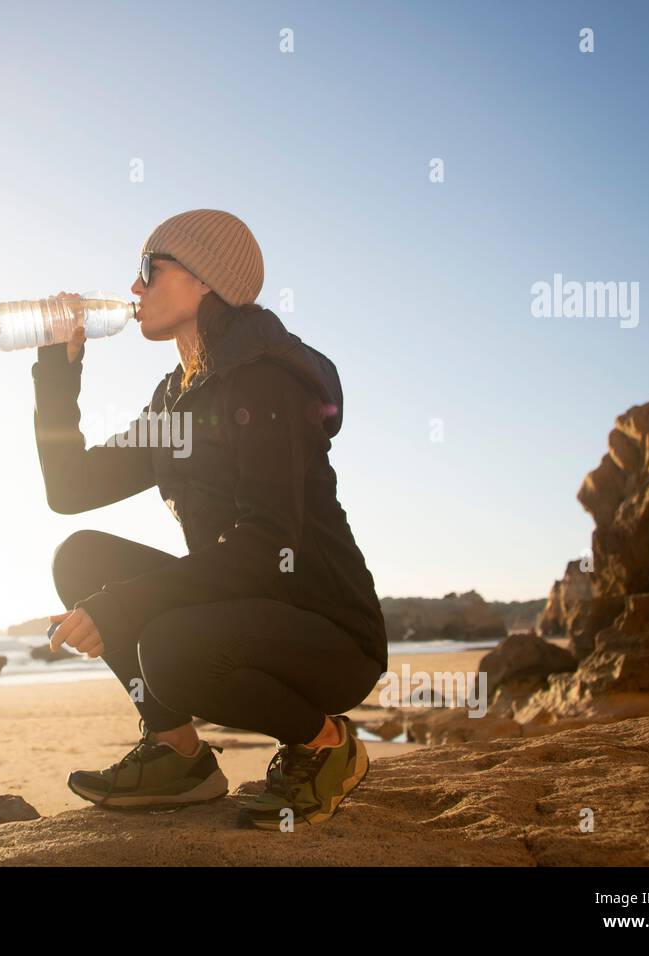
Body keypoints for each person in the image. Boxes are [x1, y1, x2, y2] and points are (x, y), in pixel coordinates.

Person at [32, 209, 388, 830]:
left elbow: (267, 544)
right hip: (239, 607)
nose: (135, 289)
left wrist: (120, 606)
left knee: (169, 647)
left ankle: (326, 743)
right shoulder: (177, 398)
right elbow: (70, 488)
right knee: (79, 557)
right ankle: (176, 754)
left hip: (327, 630)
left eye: (149, 270)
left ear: (205, 280)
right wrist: (58, 373)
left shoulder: (266, 380)